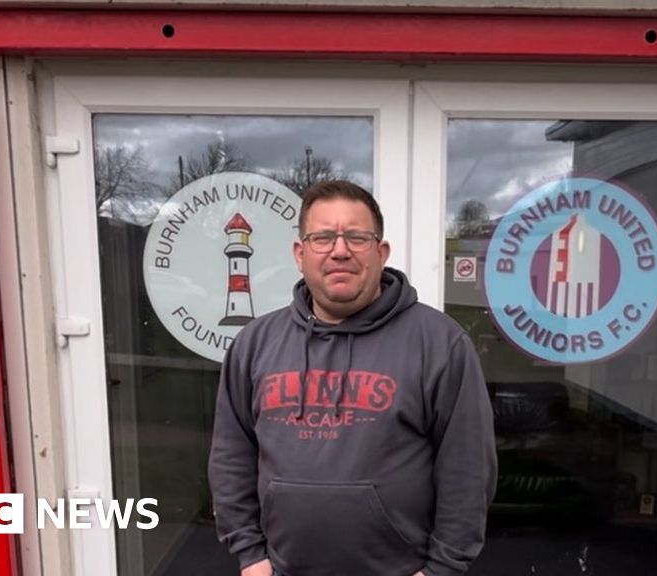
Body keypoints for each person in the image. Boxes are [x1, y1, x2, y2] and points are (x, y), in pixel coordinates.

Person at [208, 180, 497, 576]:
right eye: (323, 237)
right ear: (300, 252)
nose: (339, 250)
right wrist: (249, 553)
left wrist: (442, 568)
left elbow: (468, 469)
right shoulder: (256, 343)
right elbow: (231, 455)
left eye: (356, 238)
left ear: (381, 252)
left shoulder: (439, 343)